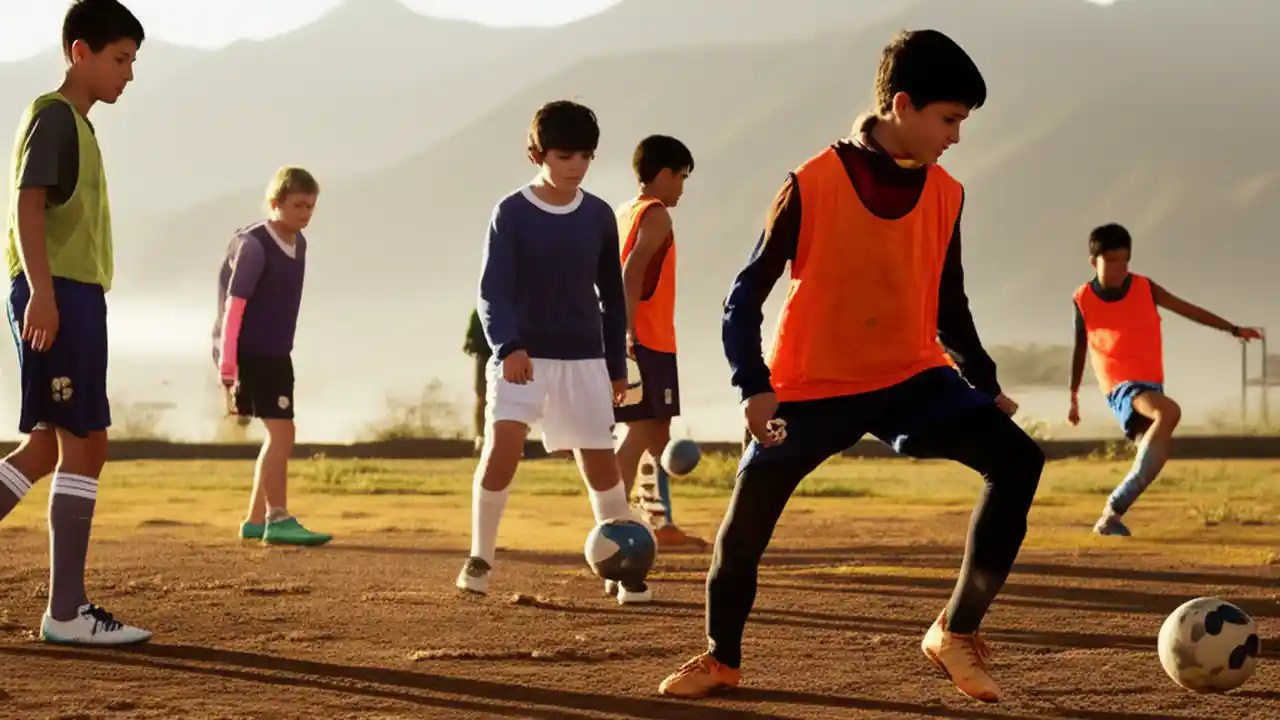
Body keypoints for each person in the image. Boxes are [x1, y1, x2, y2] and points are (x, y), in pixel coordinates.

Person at [657, 30, 1044, 704]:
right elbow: (744, 295)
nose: (956, 136)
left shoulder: (947, 193)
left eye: (962, 122)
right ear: (903, 104)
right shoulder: (812, 183)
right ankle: (721, 660)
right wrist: (753, 385)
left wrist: (983, 384)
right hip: (812, 387)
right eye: (949, 119)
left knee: (1018, 460)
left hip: (912, 379)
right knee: (743, 531)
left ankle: (955, 632)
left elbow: (948, 301)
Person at [456, 100, 650, 604]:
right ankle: (480, 557)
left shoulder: (599, 214)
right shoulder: (512, 212)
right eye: (565, 156)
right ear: (537, 154)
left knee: (599, 459)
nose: (577, 166)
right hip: (523, 358)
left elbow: (612, 296)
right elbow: (492, 291)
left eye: (586, 156)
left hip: (584, 357)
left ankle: (621, 563)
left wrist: (615, 368)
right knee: (502, 449)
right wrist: (509, 346)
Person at [0, 0, 151, 645]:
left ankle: (67, 610)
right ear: (79, 52)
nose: (128, 74)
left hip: (72, 293)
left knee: (47, 448)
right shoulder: (55, 117)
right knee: (85, 444)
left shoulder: (80, 126)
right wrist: (43, 292)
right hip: (57, 294)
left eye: (133, 62)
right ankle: (66, 612)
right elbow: (28, 205)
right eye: (120, 59)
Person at [1069, 223, 1261, 536]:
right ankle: (1115, 504)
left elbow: (1188, 309)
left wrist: (1233, 329)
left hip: (1150, 382)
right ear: (1094, 261)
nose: (1119, 269)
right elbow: (1079, 348)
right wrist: (1073, 396)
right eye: (1111, 261)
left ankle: (1110, 518)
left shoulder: (1144, 287)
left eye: (1124, 261)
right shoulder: (1083, 298)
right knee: (1168, 412)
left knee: (1156, 453)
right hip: (1120, 384)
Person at [214, 167, 331, 547]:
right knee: (282, 432)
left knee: (279, 433)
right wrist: (227, 368)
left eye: (310, 206)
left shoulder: (300, 243)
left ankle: (254, 520)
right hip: (252, 355)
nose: (305, 213)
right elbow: (234, 308)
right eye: (298, 205)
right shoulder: (254, 246)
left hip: (278, 353)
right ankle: (277, 518)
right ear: (275, 203)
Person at [613, 135, 705, 549]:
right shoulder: (656, 215)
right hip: (646, 339)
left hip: (642, 337)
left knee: (653, 432)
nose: (682, 187)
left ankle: (653, 519)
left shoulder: (625, 213)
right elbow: (631, 272)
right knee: (643, 432)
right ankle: (616, 520)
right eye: (681, 177)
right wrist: (627, 330)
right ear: (664, 174)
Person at [463, 307, 492, 454]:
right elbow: (470, 339)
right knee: (483, 397)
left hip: (507, 356)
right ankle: (481, 438)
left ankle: (511, 440)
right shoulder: (481, 308)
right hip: (487, 356)